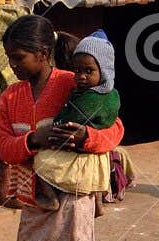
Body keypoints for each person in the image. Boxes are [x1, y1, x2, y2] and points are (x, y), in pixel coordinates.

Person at [0, 15, 125, 241]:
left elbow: (114, 131)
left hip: (72, 195)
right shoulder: (11, 96)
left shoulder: (76, 80)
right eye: (10, 57)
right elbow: (4, 148)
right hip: (33, 195)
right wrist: (32, 141)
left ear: (44, 53)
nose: (13, 65)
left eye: (19, 57)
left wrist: (85, 139)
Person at [32, 35, 120, 199]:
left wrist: (55, 126)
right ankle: (98, 204)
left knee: (42, 161)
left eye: (88, 71)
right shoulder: (108, 93)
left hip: (80, 150)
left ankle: (47, 195)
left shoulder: (91, 98)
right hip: (94, 152)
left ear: (105, 71)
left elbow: (71, 116)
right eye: (77, 71)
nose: (81, 76)